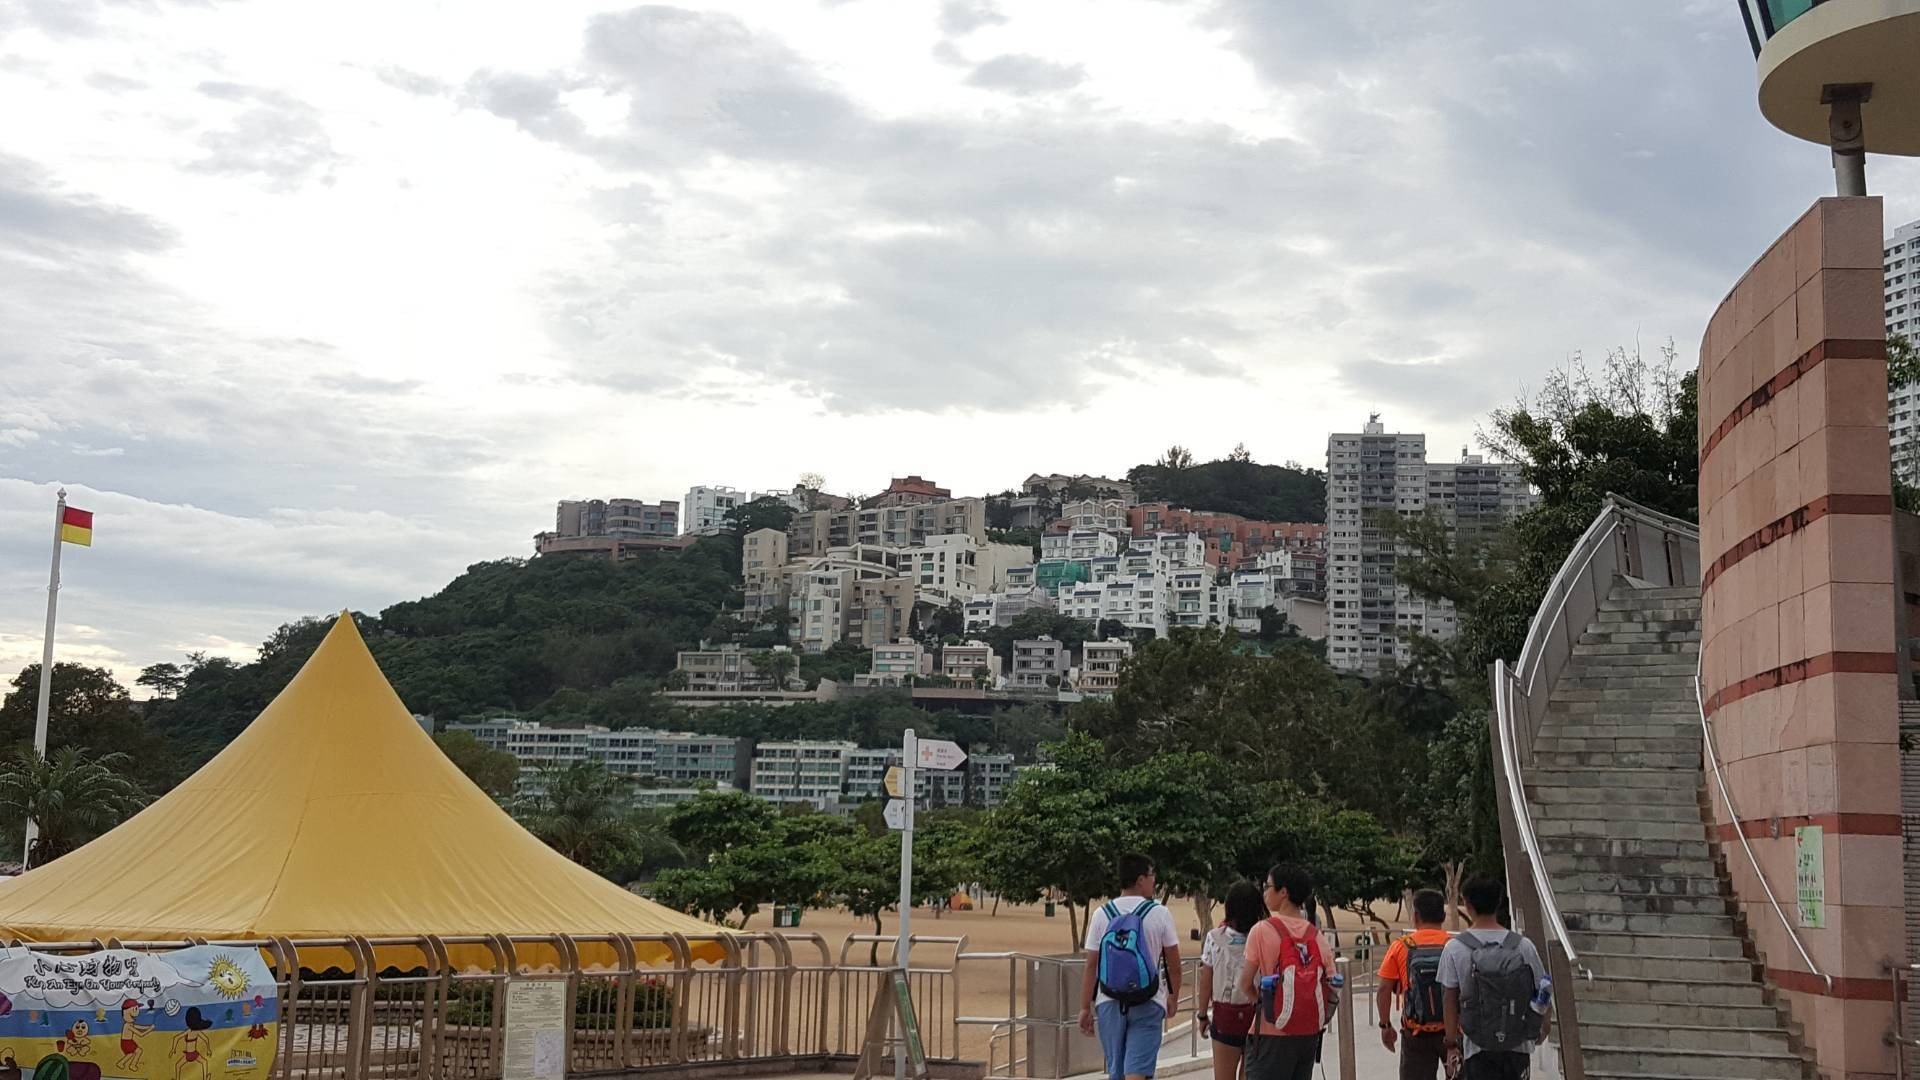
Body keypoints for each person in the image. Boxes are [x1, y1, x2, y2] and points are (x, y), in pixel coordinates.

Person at [1078, 853, 1182, 1080]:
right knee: (1137, 1070)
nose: (1154, 880)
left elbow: (1091, 965)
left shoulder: (1101, 915)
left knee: (1116, 1070)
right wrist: (1173, 996)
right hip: (1149, 1000)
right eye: (1152, 875)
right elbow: (1174, 964)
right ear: (1140, 879)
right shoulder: (1160, 914)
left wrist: (1085, 1007)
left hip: (1109, 1002)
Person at [1440, 879, 1551, 1080]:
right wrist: (1543, 1027)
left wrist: (1451, 1045)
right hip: (1517, 1046)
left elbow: (1449, 999)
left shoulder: (1454, 948)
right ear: (1499, 903)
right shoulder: (1523, 946)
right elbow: (1543, 988)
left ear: (1467, 904)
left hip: (1476, 1046)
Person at [1236, 865, 1337, 1080]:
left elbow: (1245, 983)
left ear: (1283, 892)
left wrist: (1264, 1004)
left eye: (1268, 886)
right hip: (1307, 1035)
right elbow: (1331, 984)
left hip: (1270, 1034)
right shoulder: (1317, 936)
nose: (1264, 891)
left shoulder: (1261, 931)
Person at [1375, 889, 1452, 1080]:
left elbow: (1384, 989)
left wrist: (1385, 1025)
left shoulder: (1401, 946)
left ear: (1416, 916)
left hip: (1416, 1033)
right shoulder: (1454, 945)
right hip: (1452, 1032)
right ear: (1443, 916)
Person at [1197, 881, 1265, 1080]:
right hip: (1256, 1018)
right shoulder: (1263, 938)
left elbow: (1206, 982)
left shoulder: (1214, 938)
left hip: (1225, 1018)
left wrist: (1202, 1015)